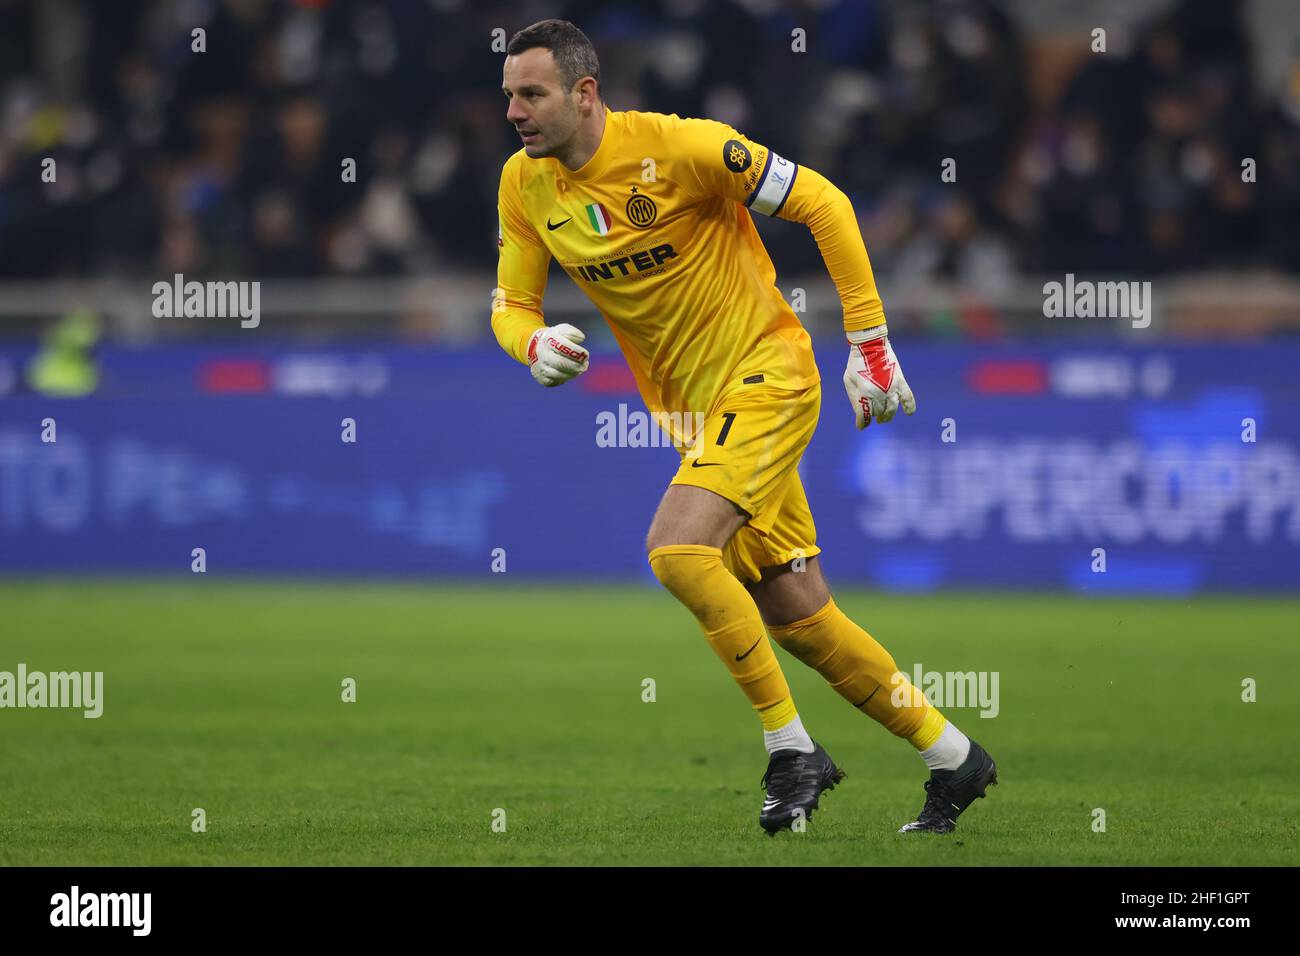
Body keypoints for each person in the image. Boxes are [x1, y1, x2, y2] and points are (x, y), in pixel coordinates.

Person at [491, 19, 997, 835]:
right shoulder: (525, 185)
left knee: (678, 549)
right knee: (800, 616)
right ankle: (953, 755)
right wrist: (532, 342)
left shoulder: (686, 150)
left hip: (769, 375)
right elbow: (512, 305)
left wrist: (869, 342)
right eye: (509, 94)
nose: (513, 110)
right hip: (699, 420)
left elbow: (824, 203)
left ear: (584, 94)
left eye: (531, 94)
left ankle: (792, 749)